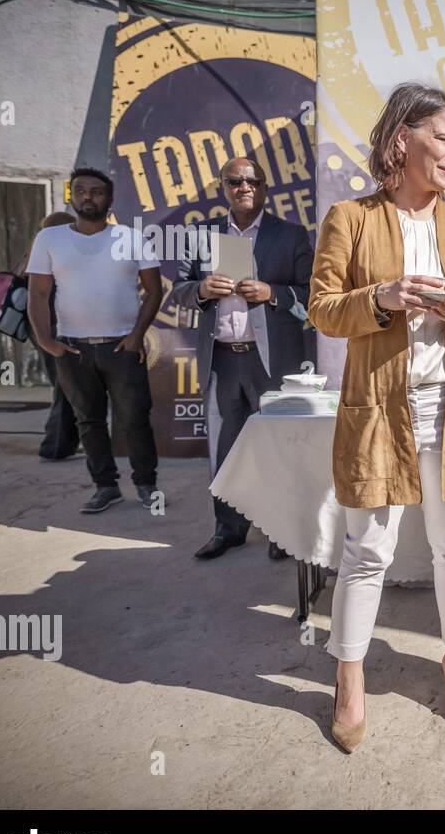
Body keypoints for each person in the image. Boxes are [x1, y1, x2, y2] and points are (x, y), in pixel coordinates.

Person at [309, 83, 445, 751]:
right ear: (402, 138)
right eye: (444, 138)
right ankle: (349, 678)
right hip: (379, 410)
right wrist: (382, 296)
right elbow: (325, 308)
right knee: (368, 550)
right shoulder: (351, 218)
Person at [169, 157, 315, 560]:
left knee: (278, 448)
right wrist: (201, 289)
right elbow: (177, 290)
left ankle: (280, 532)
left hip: (271, 362)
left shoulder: (290, 235)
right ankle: (228, 528)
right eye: (234, 181)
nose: (243, 186)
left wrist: (273, 294)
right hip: (222, 360)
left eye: (252, 180)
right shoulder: (202, 235)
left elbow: (314, 298)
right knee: (227, 450)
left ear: (265, 188)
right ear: (223, 188)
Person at [26, 167, 163, 514]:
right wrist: (46, 340)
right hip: (72, 348)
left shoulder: (131, 238)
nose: (89, 196)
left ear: (110, 199)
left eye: (97, 191)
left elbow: (153, 291)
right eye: (81, 190)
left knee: (134, 419)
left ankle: (147, 485)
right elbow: (38, 295)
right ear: (71, 196)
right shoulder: (50, 239)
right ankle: (106, 486)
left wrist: (136, 337)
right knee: (88, 421)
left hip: (122, 348)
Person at [17, 211, 80, 460]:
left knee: (63, 387)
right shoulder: (52, 253)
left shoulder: (35, 251)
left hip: (44, 328)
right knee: (66, 388)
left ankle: (60, 443)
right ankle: (55, 446)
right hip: (56, 328)